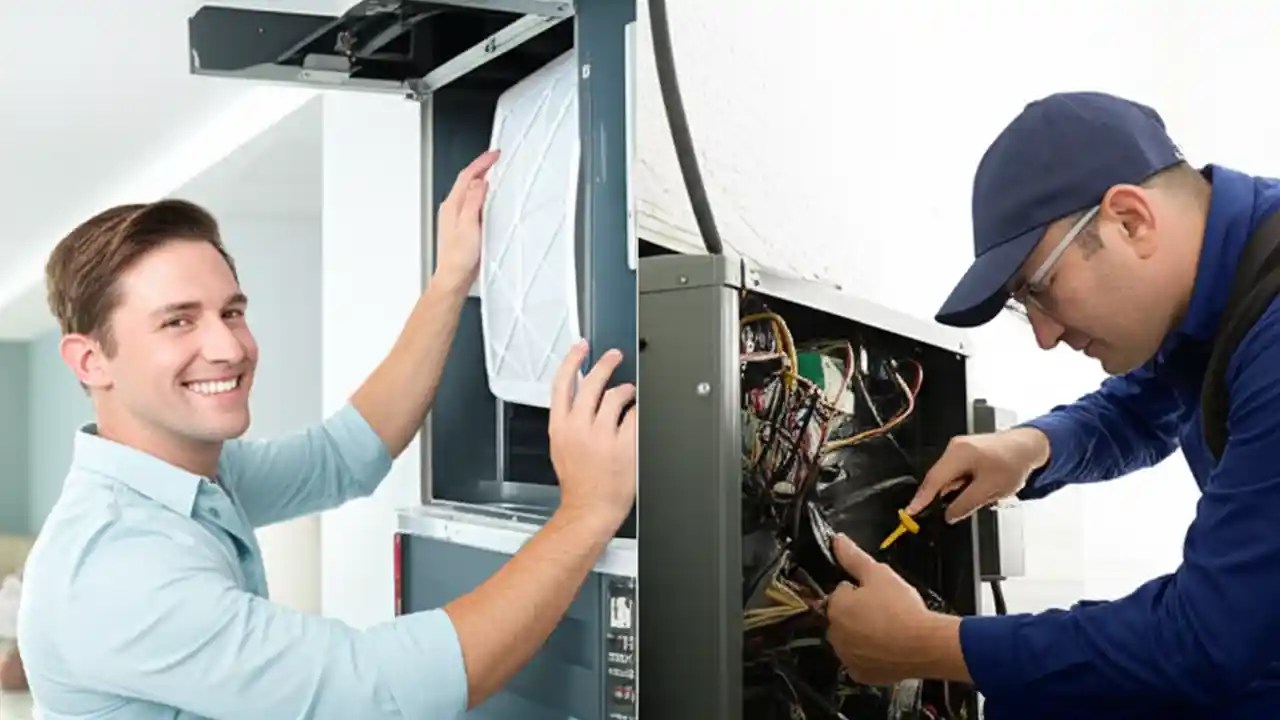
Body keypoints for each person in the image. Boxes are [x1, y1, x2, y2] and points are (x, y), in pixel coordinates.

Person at [16, 150, 638, 719]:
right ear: (90, 360)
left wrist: (452, 280)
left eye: (232, 312)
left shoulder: (187, 479)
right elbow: (377, 692)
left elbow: (344, 454)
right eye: (178, 322)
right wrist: (587, 511)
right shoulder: (115, 569)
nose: (228, 346)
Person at [823, 91, 1280, 718]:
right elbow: (1148, 406)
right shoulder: (1228, 276)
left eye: (1040, 291)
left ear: (1130, 221)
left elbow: (1203, 645)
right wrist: (1034, 448)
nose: (1044, 335)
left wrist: (930, 643)